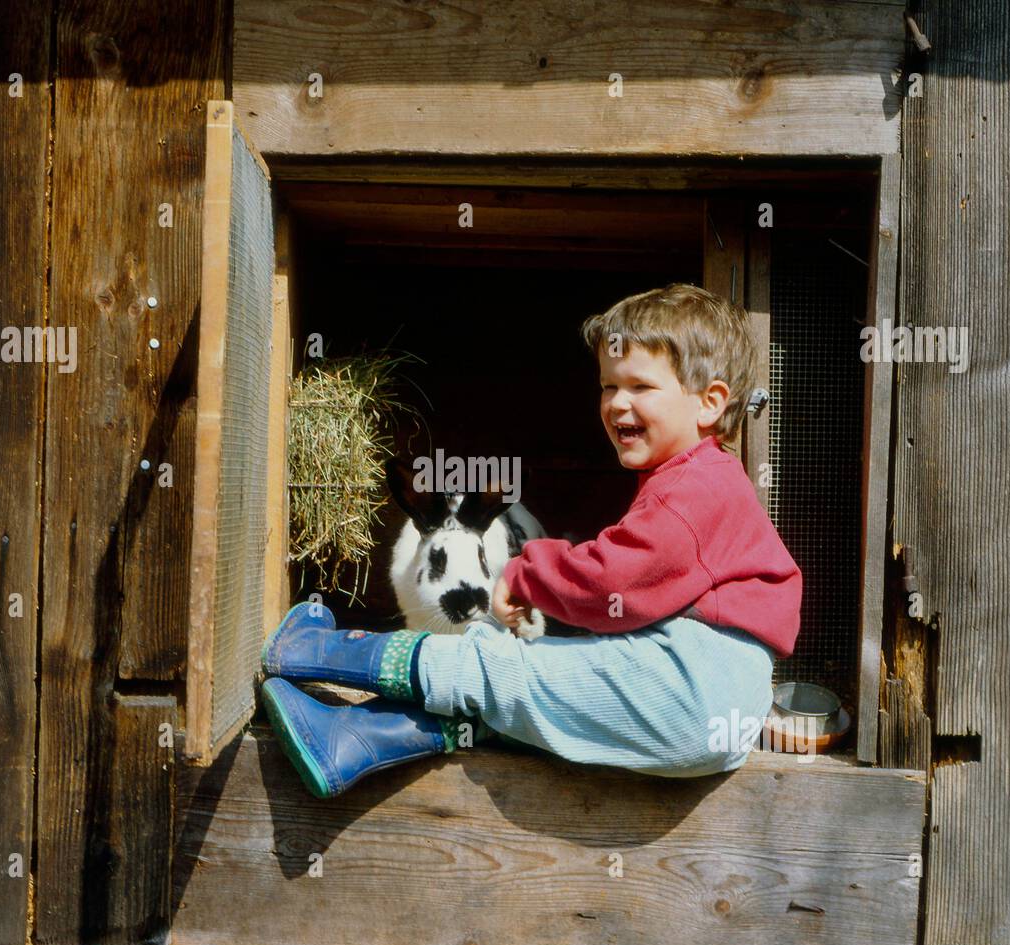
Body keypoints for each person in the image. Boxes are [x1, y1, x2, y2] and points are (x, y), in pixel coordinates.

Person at [260, 283, 802, 799]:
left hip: (693, 688)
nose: (616, 403)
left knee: (495, 667)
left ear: (709, 403)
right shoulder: (700, 481)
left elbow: (614, 580)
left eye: (640, 387)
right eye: (609, 386)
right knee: (530, 696)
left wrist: (523, 572)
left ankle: (318, 651)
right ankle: (354, 742)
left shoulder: (692, 487)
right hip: (711, 703)